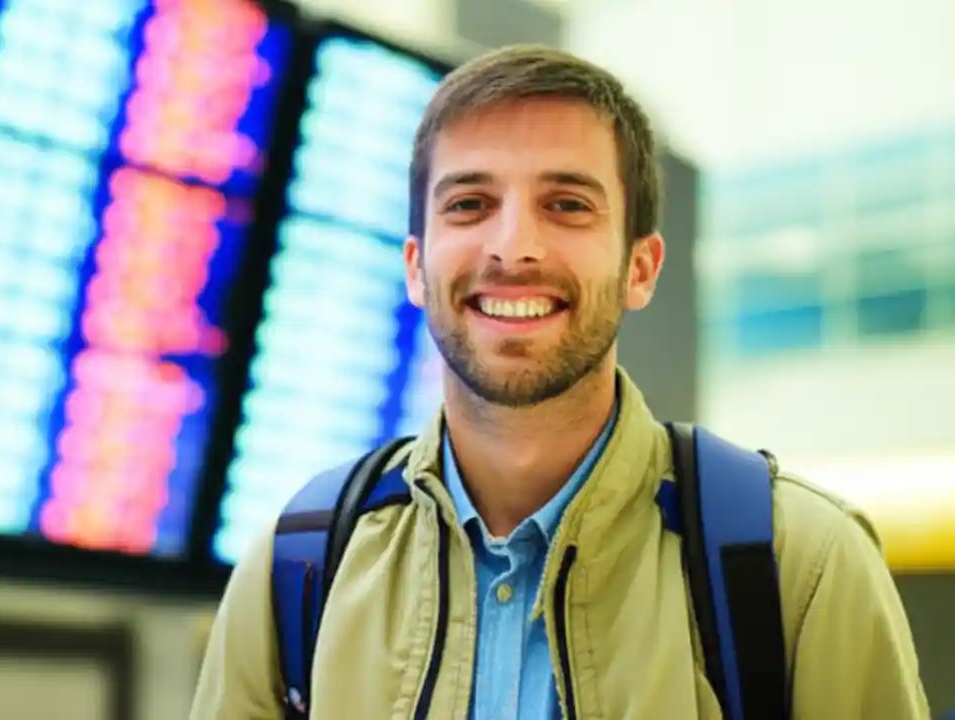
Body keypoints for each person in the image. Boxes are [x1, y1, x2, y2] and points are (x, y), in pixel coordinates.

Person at [189, 44, 929, 719]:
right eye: (470, 204)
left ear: (641, 268)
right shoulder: (296, 570)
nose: (514, 247)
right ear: (416, 267)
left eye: (567, 205)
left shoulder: (800, 566)